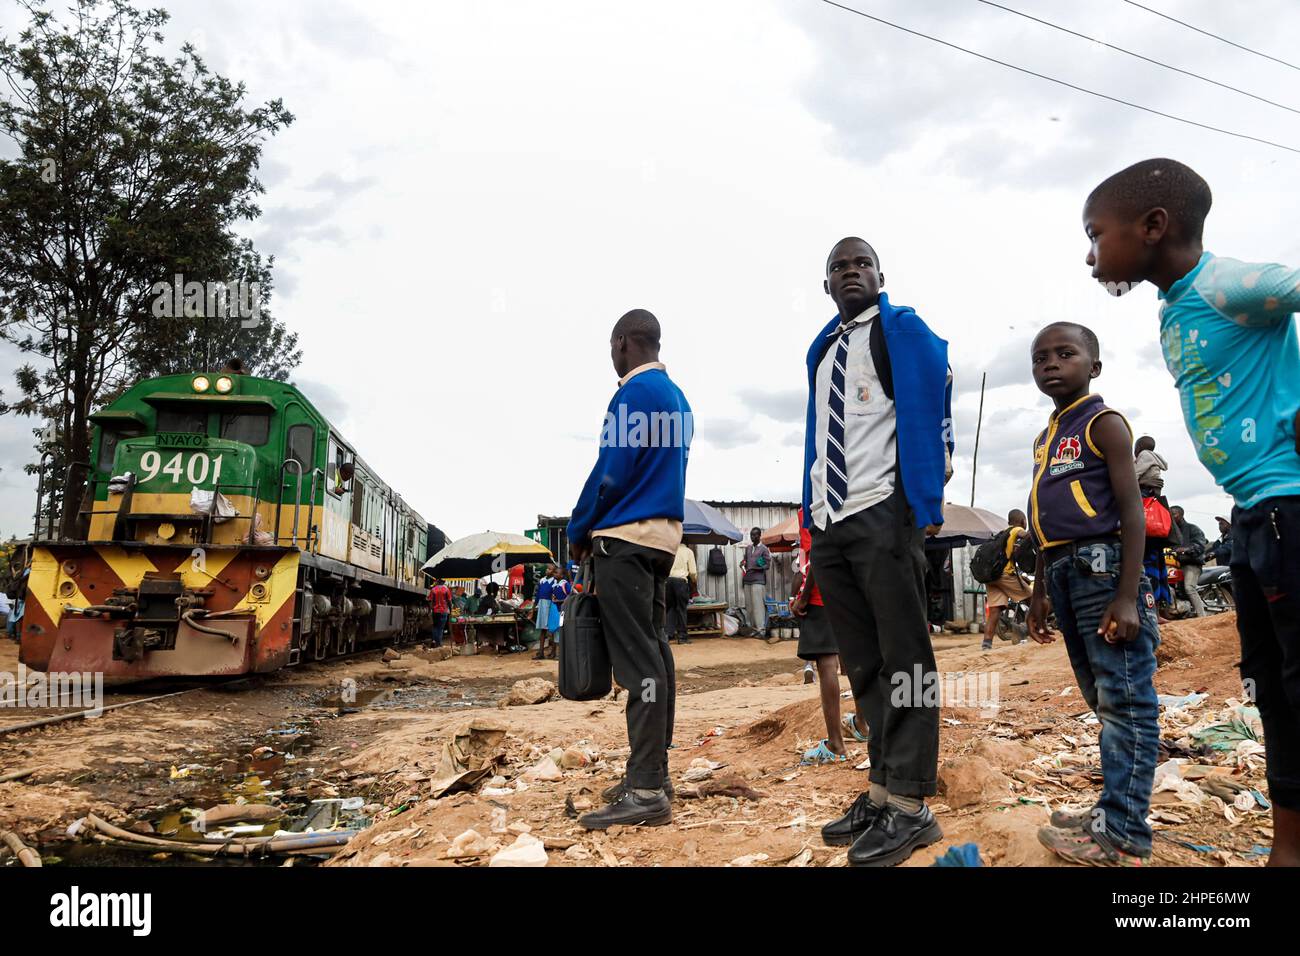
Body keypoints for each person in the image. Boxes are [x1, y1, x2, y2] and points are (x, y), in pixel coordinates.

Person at [1084, 157, 1300, 866]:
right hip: (1251, 518)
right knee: (1273, 694)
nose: (1091, 254)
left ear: (1152, 226)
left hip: (1290, 510)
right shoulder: (1177, 303)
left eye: (1097, 234)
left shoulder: (1231, 283)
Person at [803, 236, 954, 867]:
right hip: (831, 520)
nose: (851, 273)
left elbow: (935, 405)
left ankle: (913, 807)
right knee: (863, 662)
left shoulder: (902, 332)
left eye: (861, 263)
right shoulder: (822, 348)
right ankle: (881, 788)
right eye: (839, 267)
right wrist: (810, 520)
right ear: (827, 284)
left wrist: (924, 493)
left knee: (906, 659)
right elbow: (818, 434)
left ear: (880, 274)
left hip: (880, 512)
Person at [1025, 322, 1161, 866]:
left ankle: (1125, 834)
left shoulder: (1103, 424)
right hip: (1063, 574)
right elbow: (1044, 519)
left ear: (1094, 367)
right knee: (1103, 699)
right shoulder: (1047, 438)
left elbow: (1131, 512)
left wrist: (1127, 596)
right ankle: (1112, 809)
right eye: (1040, 358)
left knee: (1125, 699)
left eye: (1065, 354)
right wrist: (1038, 592)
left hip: (1103, 574)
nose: (1051, 364)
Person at [566, 308, 691, 830]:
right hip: (663, 540)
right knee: (656, 653)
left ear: (622, 344)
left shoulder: (630, 395)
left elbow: (611, 476)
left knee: (638, 664)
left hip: (623, 537)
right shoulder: (678, 399)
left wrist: (578, 530)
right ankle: (653, 773)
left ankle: (644, 791)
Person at [791, 506, 849, 764]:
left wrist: (803, 599)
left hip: (820, 596)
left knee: (826, 664)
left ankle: (835, 744)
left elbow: (817, 555)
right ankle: (863, 723)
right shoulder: (848, 500)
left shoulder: (812, 507)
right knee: (850, 659)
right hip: (846, 592)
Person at [981, 509, 1033, 651]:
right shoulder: (1016, 530)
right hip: (1004, 575)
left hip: (992, 576)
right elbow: (1027, 535)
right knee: (1035, 600)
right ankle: (1026, 630)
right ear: (1023, 521)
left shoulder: (1001, 535)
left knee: (995, 611)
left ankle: (986, 644)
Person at [1169, 505, 1208, 617]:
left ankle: (1202, 616)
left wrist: (1186, 549)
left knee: (1189, 587)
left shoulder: (1193, 529)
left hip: (1191, 564)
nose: (1171, 516)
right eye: (1170, 514)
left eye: (1174, 514)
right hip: (1175, 564)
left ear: (1181, 515)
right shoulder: (1171, 532)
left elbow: (1200, 545)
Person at [739, 528, 771, 635]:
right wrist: (742, 563)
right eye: (751, 535)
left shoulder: (764, 549)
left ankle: (761, 630)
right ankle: (753, 629)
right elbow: (745, 561)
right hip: (747, 580)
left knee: (758, 606)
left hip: (758, 580)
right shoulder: (748, 548)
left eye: (755, 535)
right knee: (750, 606)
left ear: (760, 535)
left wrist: (755, 568)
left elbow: (767, 565)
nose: (753, 537)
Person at [666, 542, 696, 645]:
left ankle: (667, 635)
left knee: (670, 608)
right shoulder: (688, 552)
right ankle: (682, 637)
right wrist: (694, 580)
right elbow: (693, 572)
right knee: (681, 609)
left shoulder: (669, 549)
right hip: (680, 582)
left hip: (668, 581)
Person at [533, 565, 556, 660]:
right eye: (547, 568)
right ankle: (541, 652)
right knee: (542, 630)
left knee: (552, 631)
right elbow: (538, 595)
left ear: (554, 572)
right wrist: (533, 607)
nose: (547, 570)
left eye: (550, 569)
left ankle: (553, 652)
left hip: (550, 606)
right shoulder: (542, 580)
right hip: (542, 605)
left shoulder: (555, 582)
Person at [427, 577, 451, 647]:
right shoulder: (446, 589)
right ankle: (439, 643)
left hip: (435, 611)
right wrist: (451, 609)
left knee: (435, 627)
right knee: (440, 628)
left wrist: (431, 609)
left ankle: (434, 641)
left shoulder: (433, 589)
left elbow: (430, 601)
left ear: (438, 581)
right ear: (444, 582)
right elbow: (449, 601)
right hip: (443, 611)